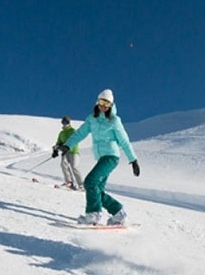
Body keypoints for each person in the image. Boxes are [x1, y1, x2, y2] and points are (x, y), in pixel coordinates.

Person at [56, 89, 140, 225]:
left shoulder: (114, 121)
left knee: (90, 182)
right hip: (101, 157)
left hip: (111, 157)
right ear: (97, 101)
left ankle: (93, 214)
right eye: (101, 102)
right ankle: (119, 213)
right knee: (96, 190)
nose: (103, 106)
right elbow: (80, 133)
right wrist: (67, 146)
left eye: (107, 104)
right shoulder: (92, 119)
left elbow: (124, 141)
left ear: (111, 106)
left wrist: (133, 160)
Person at [51, 116, 83, 189]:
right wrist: (55, 149)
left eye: (66, 122)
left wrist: (66, 147)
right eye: (63, 122)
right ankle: (69, 182)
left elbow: (74, 141)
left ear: (69, 123)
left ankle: (81, 185)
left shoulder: (72, 131)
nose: (65, 124)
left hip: (74, 152)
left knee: (74, 167)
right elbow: (59, 142)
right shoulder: (61, 133)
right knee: (63, 164)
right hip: (65, 153)